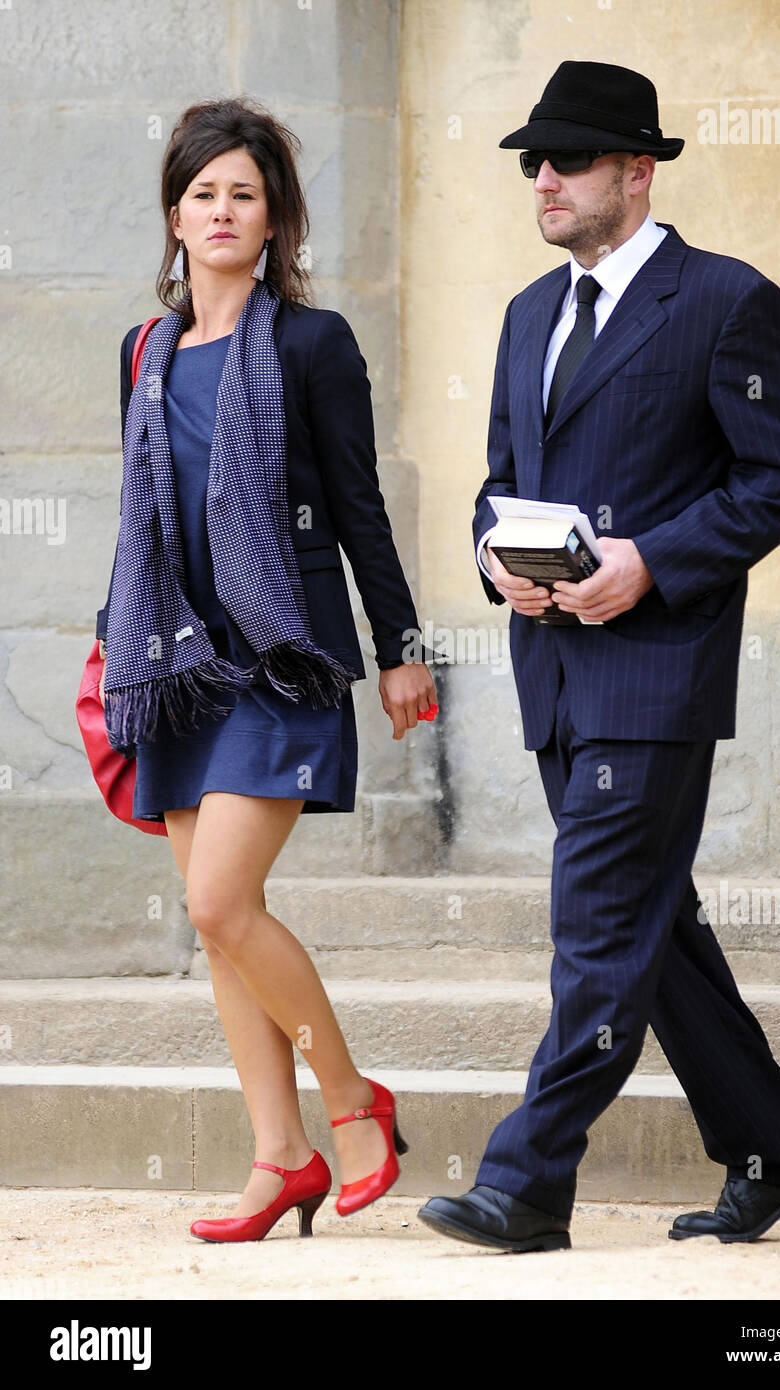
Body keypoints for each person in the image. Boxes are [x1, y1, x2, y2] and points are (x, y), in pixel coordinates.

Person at [418, 61, 780, 1252]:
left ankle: (527, 1182)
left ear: (634, 171)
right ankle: (778, 1152)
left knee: (599, 926)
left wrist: (651, 560)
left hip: (657, 670)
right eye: (530, 163)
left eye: (565, 159)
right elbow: (498, 486)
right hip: (551, 668)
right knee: (652, 928)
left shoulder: (722, 300)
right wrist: (495, 556)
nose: (540, 179)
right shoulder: (522, 315)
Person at [95, 96, 436, 1243]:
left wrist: (399, 647)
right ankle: (277, 1156)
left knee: (218, 897)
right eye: (203, 194)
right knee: (220, 923)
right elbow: (140, 516)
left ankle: (352, 1101)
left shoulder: (310, 342)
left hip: (280, 658)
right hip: (178, 667)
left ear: (275, 216)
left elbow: (357, 505)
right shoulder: (146, 351)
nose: (222, 211)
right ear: (174, 215)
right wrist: (111, 651)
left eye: (244, 192)